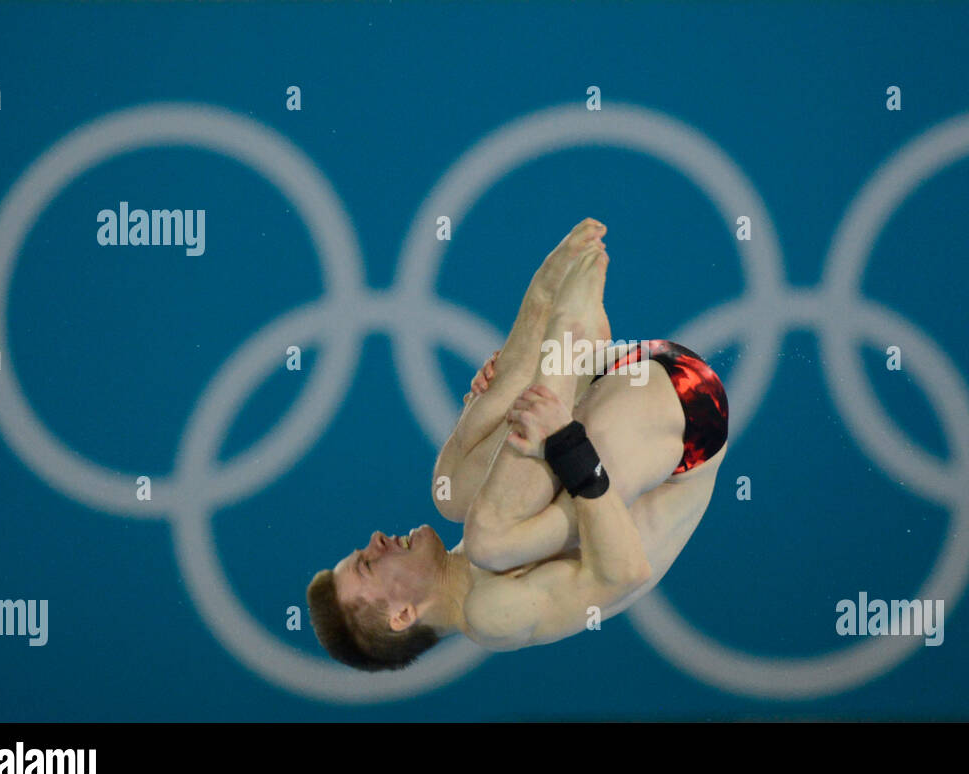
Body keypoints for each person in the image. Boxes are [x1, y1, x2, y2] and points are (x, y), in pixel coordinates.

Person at [306, 219, 728, 669]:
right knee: (491, 539)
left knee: (451, 491)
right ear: (403, 615)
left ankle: (556, 329)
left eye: (362, 553)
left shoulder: (475, 542)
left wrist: (496, 397)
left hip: (616, 377)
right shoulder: (491, 616)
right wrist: (566, 445)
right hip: (688, 413)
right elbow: (624, 572)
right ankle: (563, 338)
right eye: (368, 565)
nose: (374, 541)